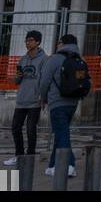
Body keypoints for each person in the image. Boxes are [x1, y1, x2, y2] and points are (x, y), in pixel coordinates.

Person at [39, 33, 86, 178]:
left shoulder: (54, 59)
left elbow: (44, 81)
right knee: (60, 132)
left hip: (57, 102)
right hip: (73, 103)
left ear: (63, 43)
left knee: (61, 133)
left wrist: (43, 97)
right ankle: (52, 165)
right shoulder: (79, 59)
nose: (57, 44)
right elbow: (82, 82)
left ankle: (69, 165)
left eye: (59, 42)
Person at [4, 29, 47, 164]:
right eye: (26, 40)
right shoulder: (22, 60)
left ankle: (30, 156)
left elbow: (45, 80)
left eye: (31, 40)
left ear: (38, 42)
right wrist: (15, 78)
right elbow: (18, 80)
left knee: (30, 129)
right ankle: (19, 155)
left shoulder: (44, 59)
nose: (27, 43)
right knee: (15, 128)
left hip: (35, 100)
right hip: (21, 99)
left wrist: (43, 97)